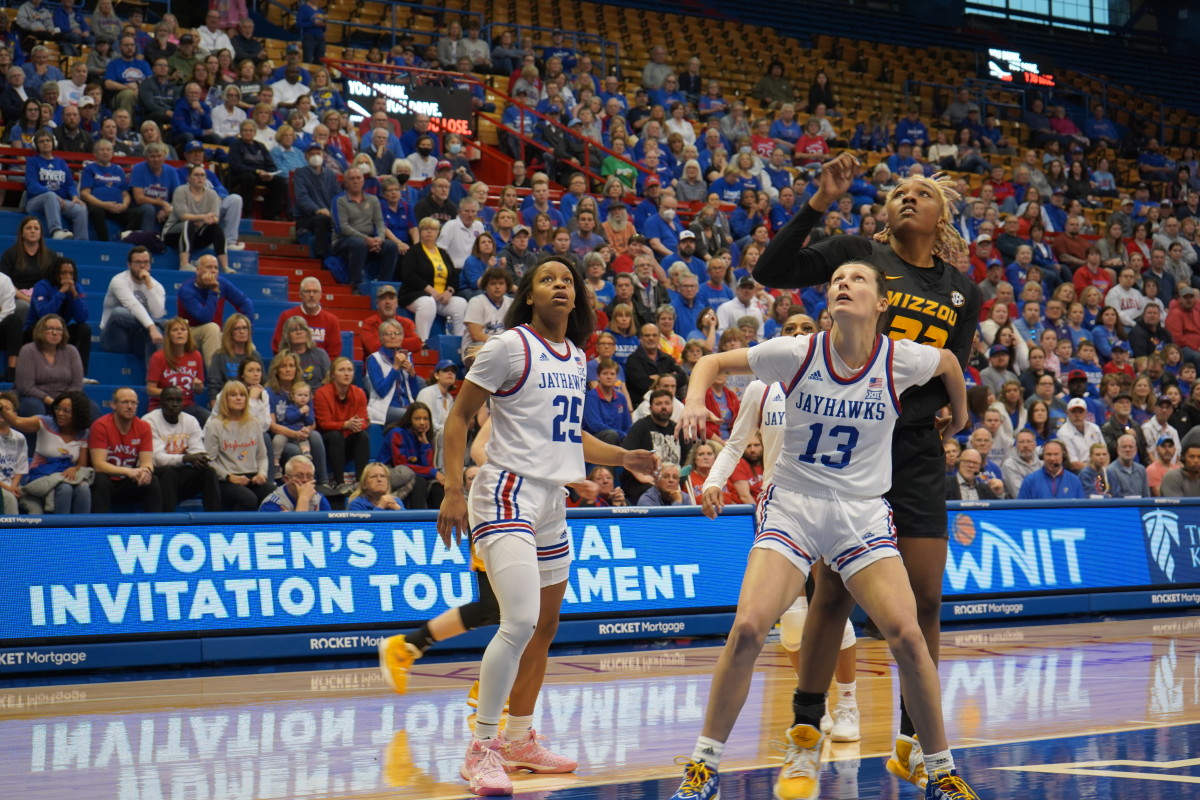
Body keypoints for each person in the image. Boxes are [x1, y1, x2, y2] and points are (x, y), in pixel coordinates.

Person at [670, 260, 974, 800]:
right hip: (794, 506)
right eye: (836, 279)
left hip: (860, 511)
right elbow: (712, 361)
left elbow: (951, 359)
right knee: (748, 628)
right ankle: (703, 767)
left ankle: (943, 770)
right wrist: (694, 398)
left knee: (907, 635)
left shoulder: (900, 359)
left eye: (858, 279)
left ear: (882, 303)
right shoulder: (798, 352)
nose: (843, 283)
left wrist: (962, 412)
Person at [379, 255, 657, 796]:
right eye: (548, 279)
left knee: (546, 627)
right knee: (519, 620)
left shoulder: (576, 357)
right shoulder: (508, 347)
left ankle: (519, 737)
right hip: (504, 491)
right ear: (529, 294)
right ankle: (480, 748)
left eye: (567, 281)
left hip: (551, 499)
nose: (559, 285)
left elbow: (568, 434)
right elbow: (458, 419)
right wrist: (453, 489)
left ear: (577, 298)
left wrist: (624, 456)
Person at [754, 152, 980, 788]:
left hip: (910, 450)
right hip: (852, 444)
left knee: (926, 601)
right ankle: (807, 723)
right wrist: (819, 201)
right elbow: (772, 271)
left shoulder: (963, 290)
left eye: (921, 193)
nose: (907, 198)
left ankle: (913, 739)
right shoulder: (860, 256)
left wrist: (951, 416)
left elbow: (948, 367)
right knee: (832, 594)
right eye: (899, 192)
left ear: (942, 216)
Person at [3, 389, 91, 514]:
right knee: (64, 488)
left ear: (78, 413)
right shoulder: (45, 422)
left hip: (67, 477)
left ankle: (84, 530)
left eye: (66, 411)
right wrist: (1, 408)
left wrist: (74, 469)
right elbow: (16, 421)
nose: (60, 413)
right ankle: (60, 529)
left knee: (84, 489)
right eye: (58, 408)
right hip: (41, 477)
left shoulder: (83, 433)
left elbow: (81, 464)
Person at [145, 385, 220, 512]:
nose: (175, 404)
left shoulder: (190, 421)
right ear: (161, 402)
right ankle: (168, 522)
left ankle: (215, 521)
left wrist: (200, 458)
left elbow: (198, 451)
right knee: (168, 472)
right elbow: (157, 459)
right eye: (170, 400)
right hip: (157, 476)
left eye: (178, 400)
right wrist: (186, 458)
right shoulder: (149, 421)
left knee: (208, 472)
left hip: (182, 474)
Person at [90, 387, 162, 513]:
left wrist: (146, 471)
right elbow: (99, 465)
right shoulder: (100, 425)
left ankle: (157, 527)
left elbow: (147, 462)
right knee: (100, 480)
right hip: (108, 481)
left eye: (133, 403)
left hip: (129, 482)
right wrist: (129, 471)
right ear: (113, 405)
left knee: (152, 480)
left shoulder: (143, 427)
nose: (130, 406)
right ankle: (99, 529)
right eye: (125, 402)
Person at [205, 379, 274, 510]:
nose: (238, 398)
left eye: (242, 395)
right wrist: (229, 477)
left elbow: (262, 456)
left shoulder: (254, 422)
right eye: (233, 395)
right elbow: (209, 462)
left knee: (275, 495)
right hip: (226, 480)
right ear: (225, 399)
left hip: (252, 477)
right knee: (248, 499)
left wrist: (262, 474)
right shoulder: (214, 425)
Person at [399, 217, 469, 343]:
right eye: (426, 229)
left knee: (461, 303)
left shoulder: (443, 253)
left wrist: (449, 291)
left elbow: (453, 275)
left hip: (441, 297)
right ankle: (422, 341)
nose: (429, 232)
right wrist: (431, 290)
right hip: (415, 295)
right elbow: (409, 275)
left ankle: (459, 340)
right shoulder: (414, 251)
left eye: (433, 229)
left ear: (438, 233)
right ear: (420, 232)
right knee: (428, 302)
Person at [100, 247, 167, 368]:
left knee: (156, 330)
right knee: (118, 313)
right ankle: (161, 324)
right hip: (115, 338)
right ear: (129, 264)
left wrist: (149, 286)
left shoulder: (157, 286)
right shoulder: (119, 281)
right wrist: (152, 326)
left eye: (146, 262)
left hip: (138, 339)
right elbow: (132, 305)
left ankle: (153, 382)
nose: (142, 266)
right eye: (137, 262)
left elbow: (158, 313)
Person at [333, 166, 398, 291]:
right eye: (352, 179)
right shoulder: (339, 200)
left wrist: (379, 238)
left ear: (363, 181)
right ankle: (357, 285)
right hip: (343, 241)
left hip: (370, 241)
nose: (356, 181)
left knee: (391, 246)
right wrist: (366, 239)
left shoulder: (373, 200)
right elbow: (343, 228)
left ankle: (383, 286)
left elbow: (380, 223)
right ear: (345, 183)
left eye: (358, 178)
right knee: (359, 244)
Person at [315, 356, 370, 492]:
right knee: (335, 435)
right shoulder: (322, 393)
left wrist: (358, 425)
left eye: (350, 370)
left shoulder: (359, 393)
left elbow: (364, 420)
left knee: (363, 436)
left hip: (348, 441)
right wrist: (345, 425)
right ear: (333, 374)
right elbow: (323, 423)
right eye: (342, 370)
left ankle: (360, 483)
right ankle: (340, 483)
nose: (347, 373)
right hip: (330, 443)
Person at [25, 127, 87, 240]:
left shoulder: (61, 162)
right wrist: (52, 195)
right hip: (36, 201)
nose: (45, 143)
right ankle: (56, 231)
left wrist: (74, 197)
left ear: (53, 143)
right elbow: (32, 185)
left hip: (60, 202)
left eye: (48, 141)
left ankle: (81, 241)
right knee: (50, 195)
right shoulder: (32, 162)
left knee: (80, 208)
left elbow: (69, 184)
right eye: (41, 141)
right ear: (36, 145)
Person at [228, 119, 287, 221]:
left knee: (280, 181)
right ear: (241, 132)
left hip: (261, 174)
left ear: (255, 132)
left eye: (250, 130)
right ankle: (247, 213)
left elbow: (271, 165)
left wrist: (270, 174)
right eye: (245, 130)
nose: (248, 133)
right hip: (241, 174)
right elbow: (236, 165)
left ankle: (272, 214)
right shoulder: (235, 145)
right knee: (248, 178)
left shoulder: (260, 146)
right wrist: (256, 171)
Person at [271, 276, 342, 360]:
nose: (311, 295)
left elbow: (334, 354)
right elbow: (278, 348)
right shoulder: (287, 316)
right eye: (307, 291)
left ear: (320, 295)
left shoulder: (331, 320)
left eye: (315, 291)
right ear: (300, 294)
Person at [260, 454, 333, 511]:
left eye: (309, 476)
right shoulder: (272, 504)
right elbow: (297, 529)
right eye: (299, 476)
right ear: (286, 479)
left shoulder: (319, 499)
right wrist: (303, 499)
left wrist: (290, 519)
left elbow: (330, 528)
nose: (305, 480)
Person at [1017, 440, 1084, 499]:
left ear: (1063, 456)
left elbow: (1081, 510)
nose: (1052, 458)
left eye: (1056, 454)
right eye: (1048, 454)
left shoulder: (1074, 481)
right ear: (1042, 456)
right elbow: (1021, 510)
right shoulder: (1029, 481)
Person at [416, 358, 457, 432]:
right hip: (429, 435)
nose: (450, 373)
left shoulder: (450, 398)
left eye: (453, 371)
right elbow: (426, 422)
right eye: (446, 370)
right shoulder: (427, 393)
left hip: (444, 435)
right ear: (436, 374)